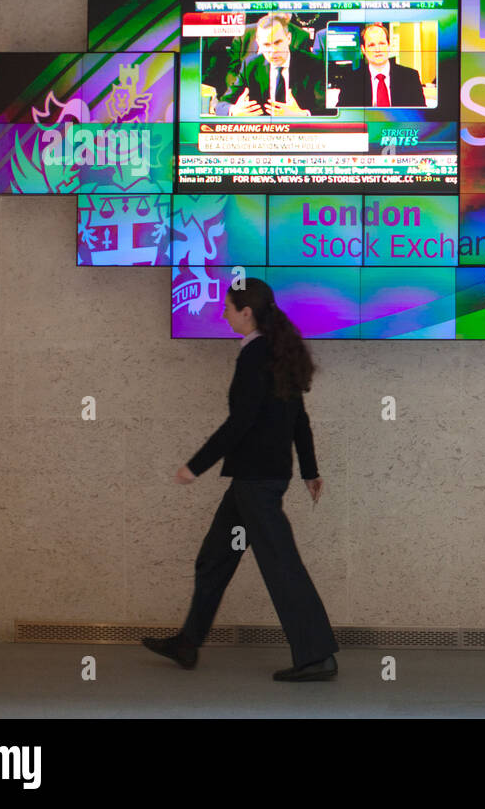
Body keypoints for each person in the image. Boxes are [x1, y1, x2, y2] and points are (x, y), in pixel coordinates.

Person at [142, 278, 340, 682]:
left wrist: (195, 465)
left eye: (228, 308)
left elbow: (241, 422)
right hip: (258, 478)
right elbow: (298, 419)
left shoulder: (256, 356)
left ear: (246, 312)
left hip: (256, 479)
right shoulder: (275, 351)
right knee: (215, 558)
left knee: (282, 565)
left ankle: (317, 655)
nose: (223, 314)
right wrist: (308, 470)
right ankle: (187, 643)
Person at [215, 12, 329, 116]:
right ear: (258, 43)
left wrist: (302, 115)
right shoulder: (250, 65)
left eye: (278, 42)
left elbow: (329, 110)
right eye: (266, 45)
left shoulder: (314, 64)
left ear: (288, 38)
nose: (273, 51)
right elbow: (221, 106)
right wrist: (234, 111)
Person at [333, 22, 428, 107]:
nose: (377, 49)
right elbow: (344, 117)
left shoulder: (410, 77)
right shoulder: (351, 80)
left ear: (389, 46)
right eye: (371, 45)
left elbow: (422, 116)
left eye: (382, 43)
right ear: (363, 49)